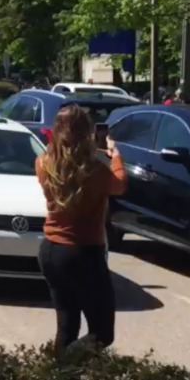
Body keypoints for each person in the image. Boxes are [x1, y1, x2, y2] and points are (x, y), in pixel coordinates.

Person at [35, 105, 127, 353]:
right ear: (87, 133)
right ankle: (63, 367)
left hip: (51, 251)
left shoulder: (43, 163)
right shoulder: (95, 169)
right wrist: (114, 154)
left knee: (67, 324)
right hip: (83, 253)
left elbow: (67, 164)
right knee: (102, 333)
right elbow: (119, 185)